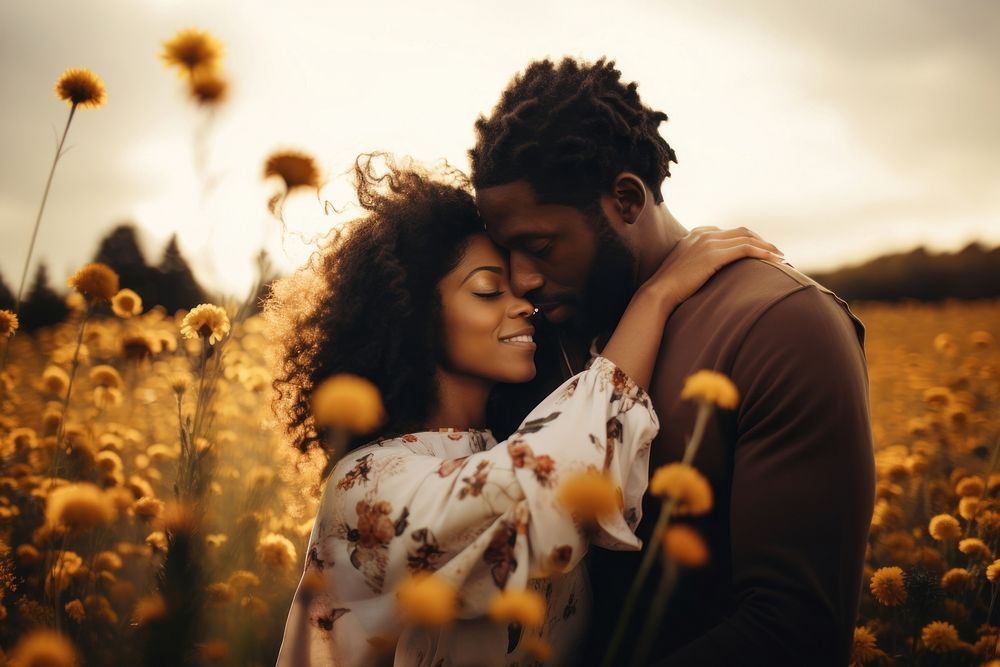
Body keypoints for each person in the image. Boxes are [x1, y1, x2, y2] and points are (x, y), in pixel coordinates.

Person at [265, 153, 782, 666]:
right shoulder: (363, 483)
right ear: (414, 317)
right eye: (488, 290)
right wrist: (658, 295)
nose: (522, 305)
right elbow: (547, 486)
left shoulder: (506, 443)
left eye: (519, 290)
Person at [470, 57, 876, 666]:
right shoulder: (534, 337)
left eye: (540, 246)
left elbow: (794, 632)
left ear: (627, 198)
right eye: (507, 253)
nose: (522, 278)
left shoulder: (782, 325)